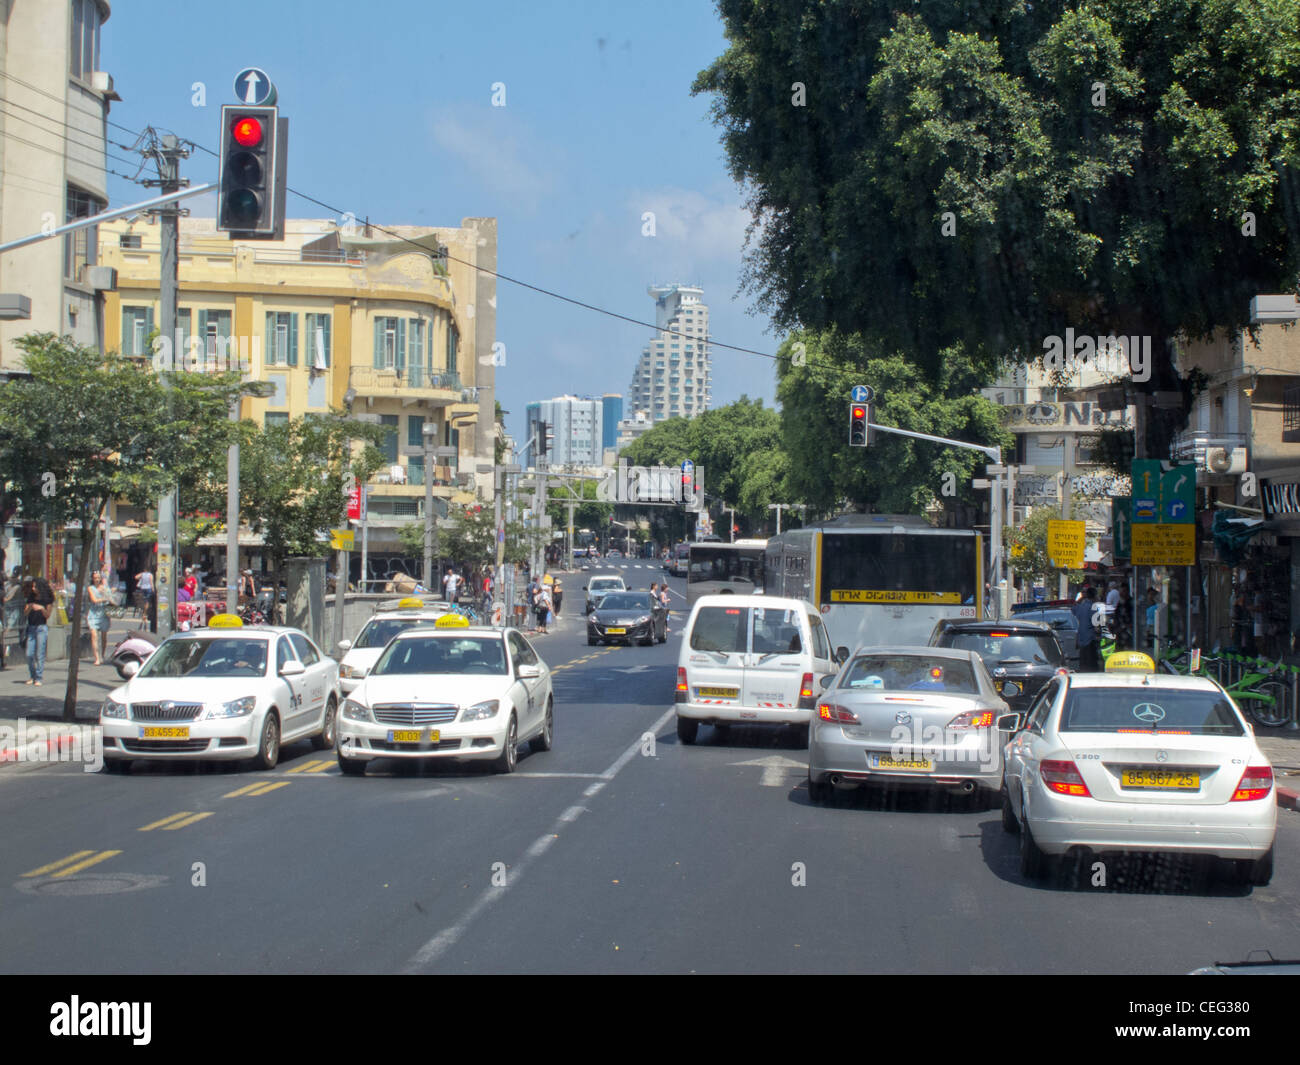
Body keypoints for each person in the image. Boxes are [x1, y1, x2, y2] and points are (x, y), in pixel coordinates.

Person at [23, 576, 54, 686]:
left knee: (40, 653)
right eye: (32, 586)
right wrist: (30, 606)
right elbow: (25, 613)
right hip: (31, 627)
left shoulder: (47, 599)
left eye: (35, 587)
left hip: (41, 627)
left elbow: (47, 615)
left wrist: (41, 608)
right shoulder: (31, 597)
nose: (33, 589)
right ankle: (32, 675)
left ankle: (38, 677)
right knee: (29, 653)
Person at [86, 570, 112, 666]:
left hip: (104, 614)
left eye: (98, 578)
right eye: (95, 578)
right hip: (93, 614)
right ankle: (96, 658)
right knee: (94, 635)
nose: (97, 579)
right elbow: (94, 600)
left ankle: (102, 655)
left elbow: (111, 599)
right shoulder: (90, 588)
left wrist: (106, 593)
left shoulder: (105, 588)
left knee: (104, 636)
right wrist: (104, 598)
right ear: (92, 579)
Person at [1072, 585, 1100, 672]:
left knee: (1083, 662)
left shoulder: (1081, 606)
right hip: (1090, 639)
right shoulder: (1093, 607)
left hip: (1081, 638)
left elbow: (1073, 609)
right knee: (1091, 663)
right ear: (1095, 596)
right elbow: (1096, 624)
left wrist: (1080, 599)